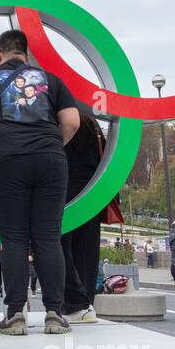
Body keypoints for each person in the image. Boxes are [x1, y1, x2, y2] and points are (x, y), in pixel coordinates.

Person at [0, 33, 80, 336]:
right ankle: (54, 315)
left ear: (0, 55)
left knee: (14, 240)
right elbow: (73, 121)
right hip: (50, 160)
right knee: (48, 238)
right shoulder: (51, 80)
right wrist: (50, 145)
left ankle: (15, 316)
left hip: (7, 162)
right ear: (26, 54)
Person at [60, 108, 104, 324]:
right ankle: (86, 302)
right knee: (86, 252)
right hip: (92, 192)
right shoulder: (93, 125)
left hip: (63, 190)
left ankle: (73, 302)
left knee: (60, 247)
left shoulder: (62, 122)